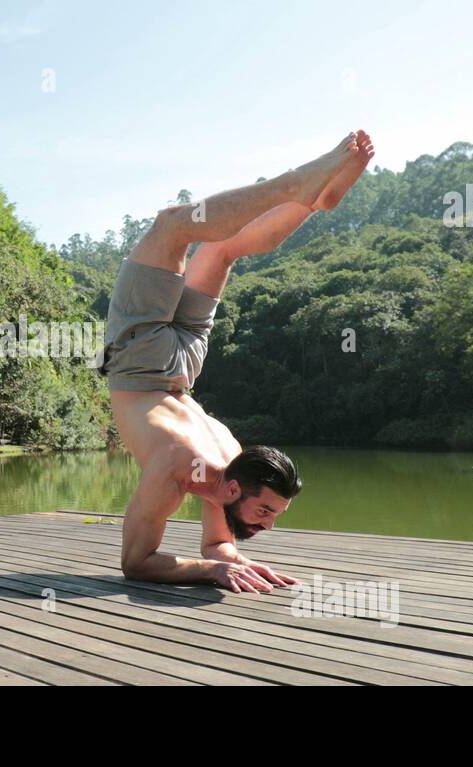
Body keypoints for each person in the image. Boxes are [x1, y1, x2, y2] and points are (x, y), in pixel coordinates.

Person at [100, 131, 374, 593]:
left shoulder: (227, 466)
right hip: (145, 363)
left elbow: (186, 552)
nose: (267, 526)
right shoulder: (198, 469)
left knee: (221, 248)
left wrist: (224, 564)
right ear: (233, 491)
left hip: (178, 365)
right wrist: (213, 565)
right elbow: (142, 561)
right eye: (266, 512)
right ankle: (297, 189)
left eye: (269, 515)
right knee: (173, 226)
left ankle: (311, 202)